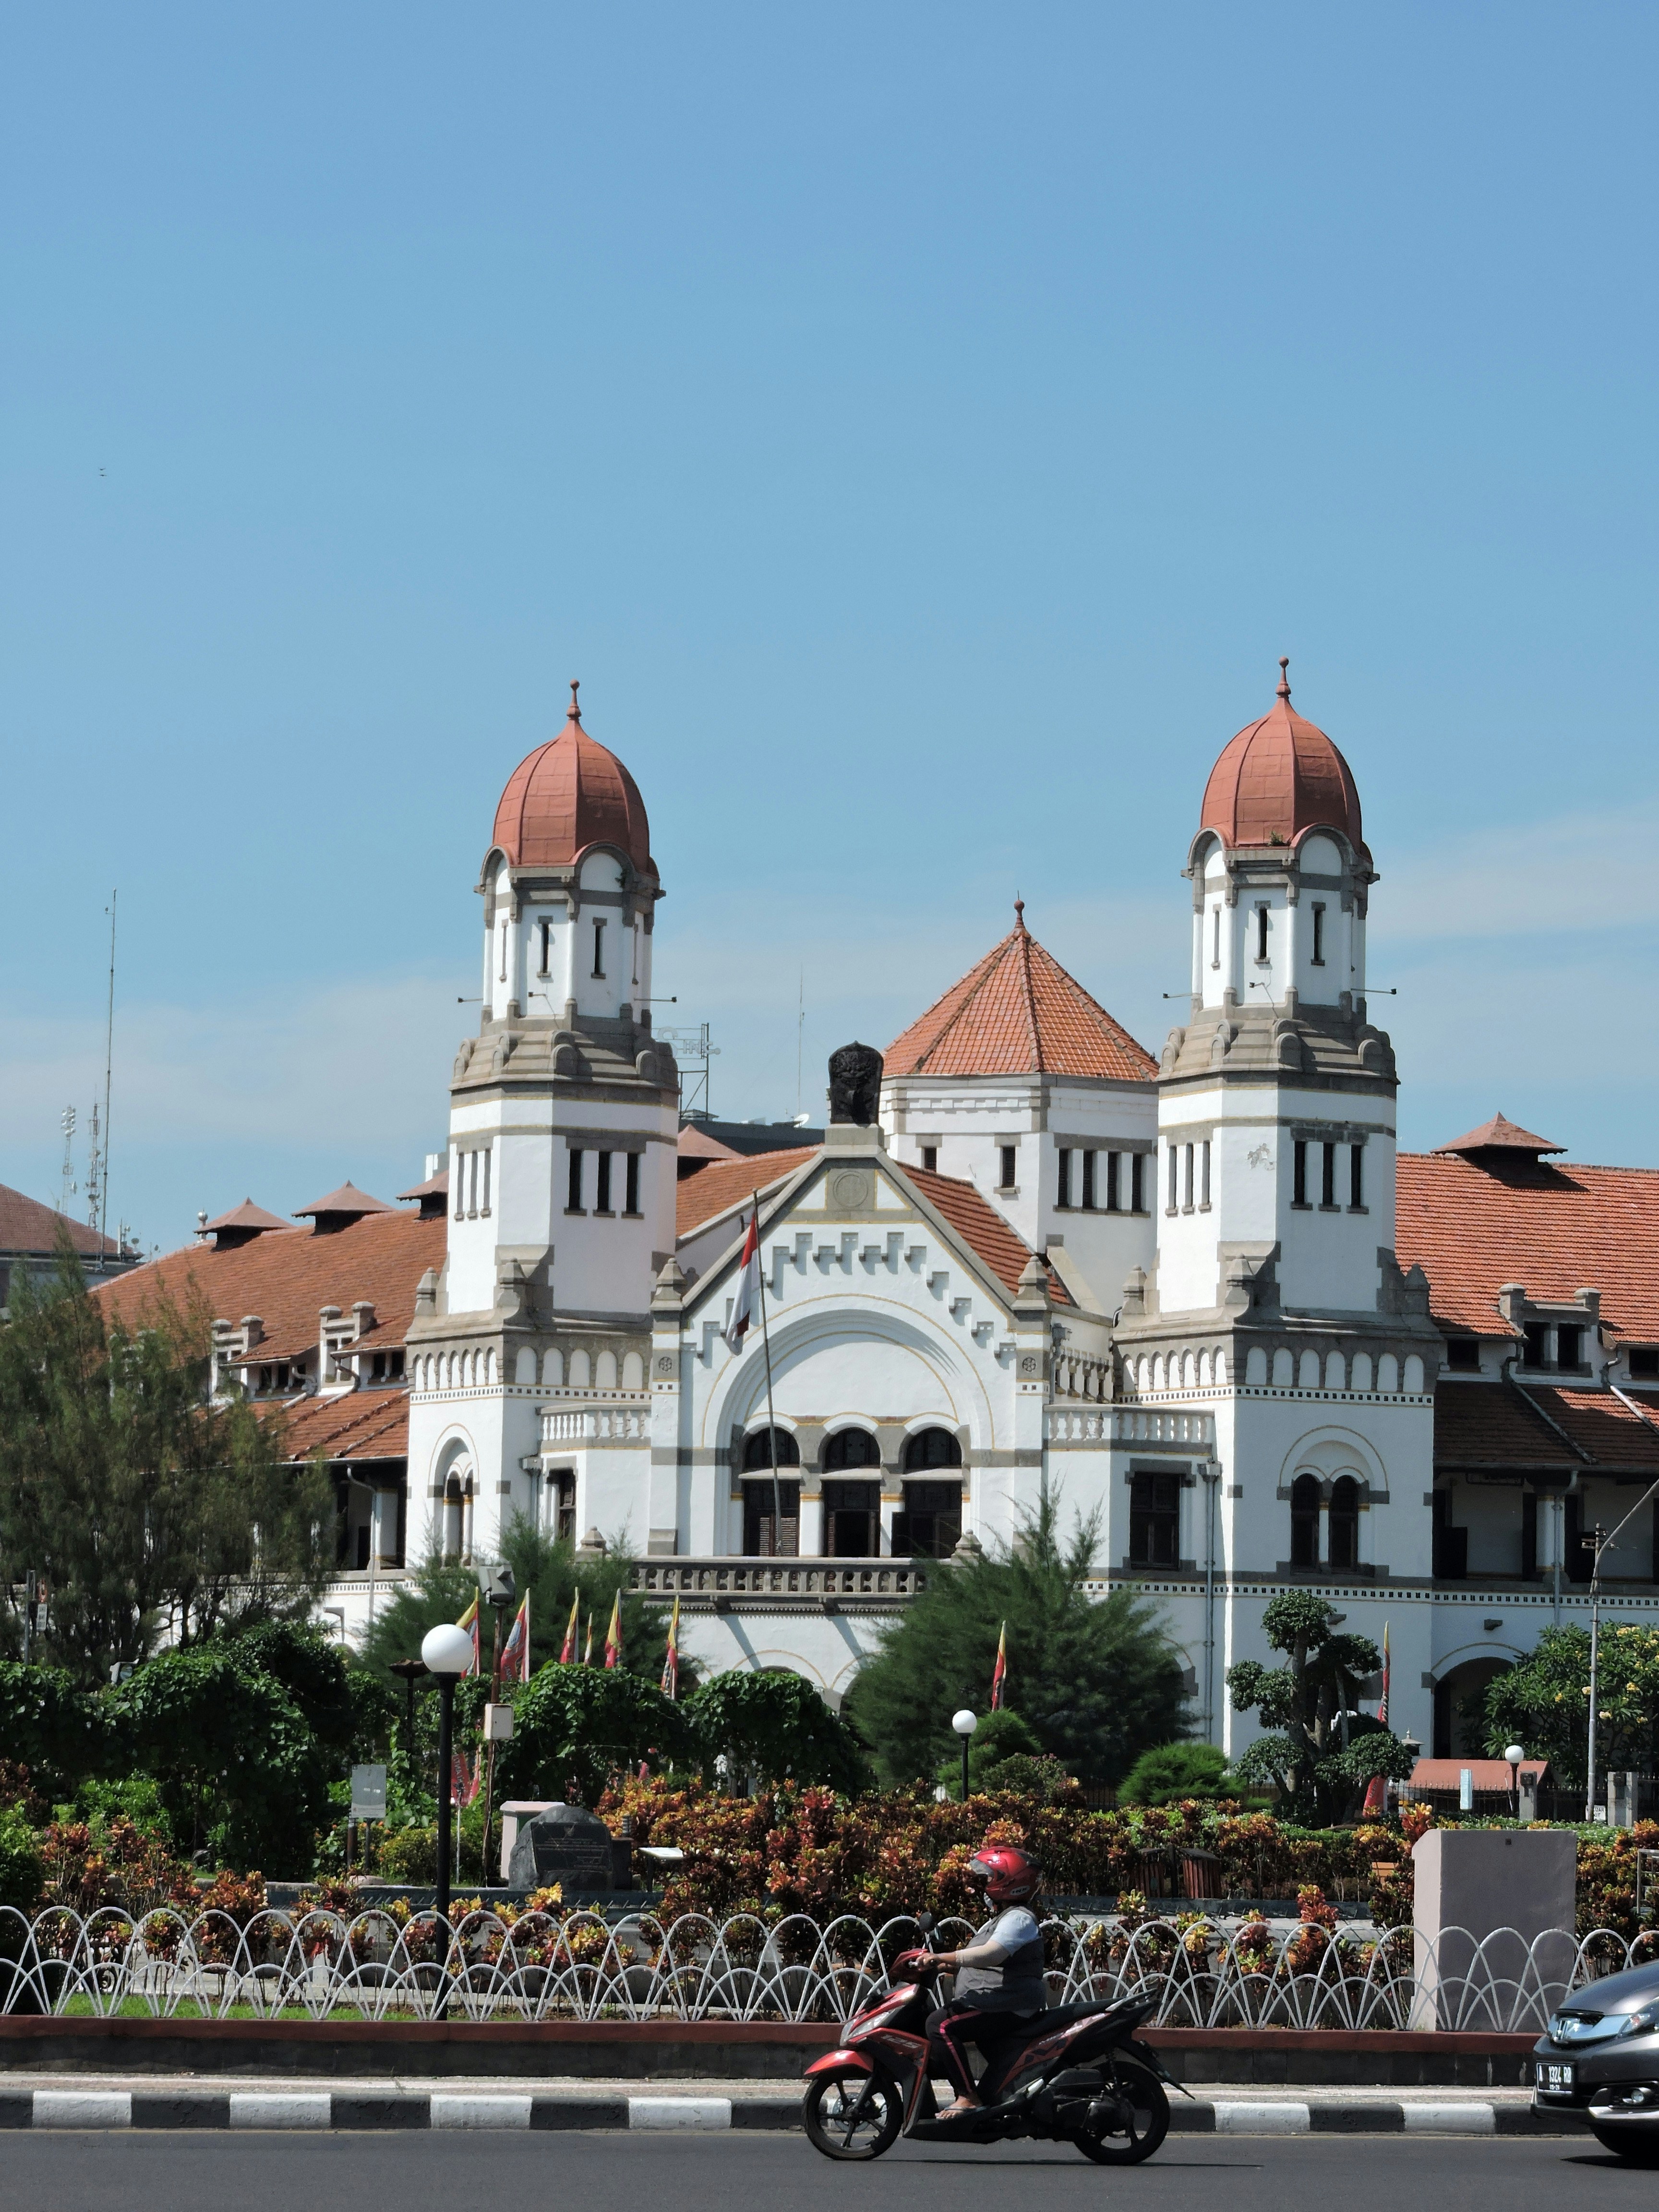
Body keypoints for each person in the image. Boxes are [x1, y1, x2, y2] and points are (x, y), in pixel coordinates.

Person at [895, 1845, 1046, 2120]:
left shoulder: (1019, 1919)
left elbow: (992, 1953)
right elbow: (990, 1963)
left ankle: (967, 2097)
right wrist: (945, 1965)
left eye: (989, 1878)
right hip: (999, 2002)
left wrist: (942, 1956)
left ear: (1008, 1881)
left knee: (939, 2025)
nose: (984, 1885)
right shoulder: (1005, 1918)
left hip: (1010, 2005)